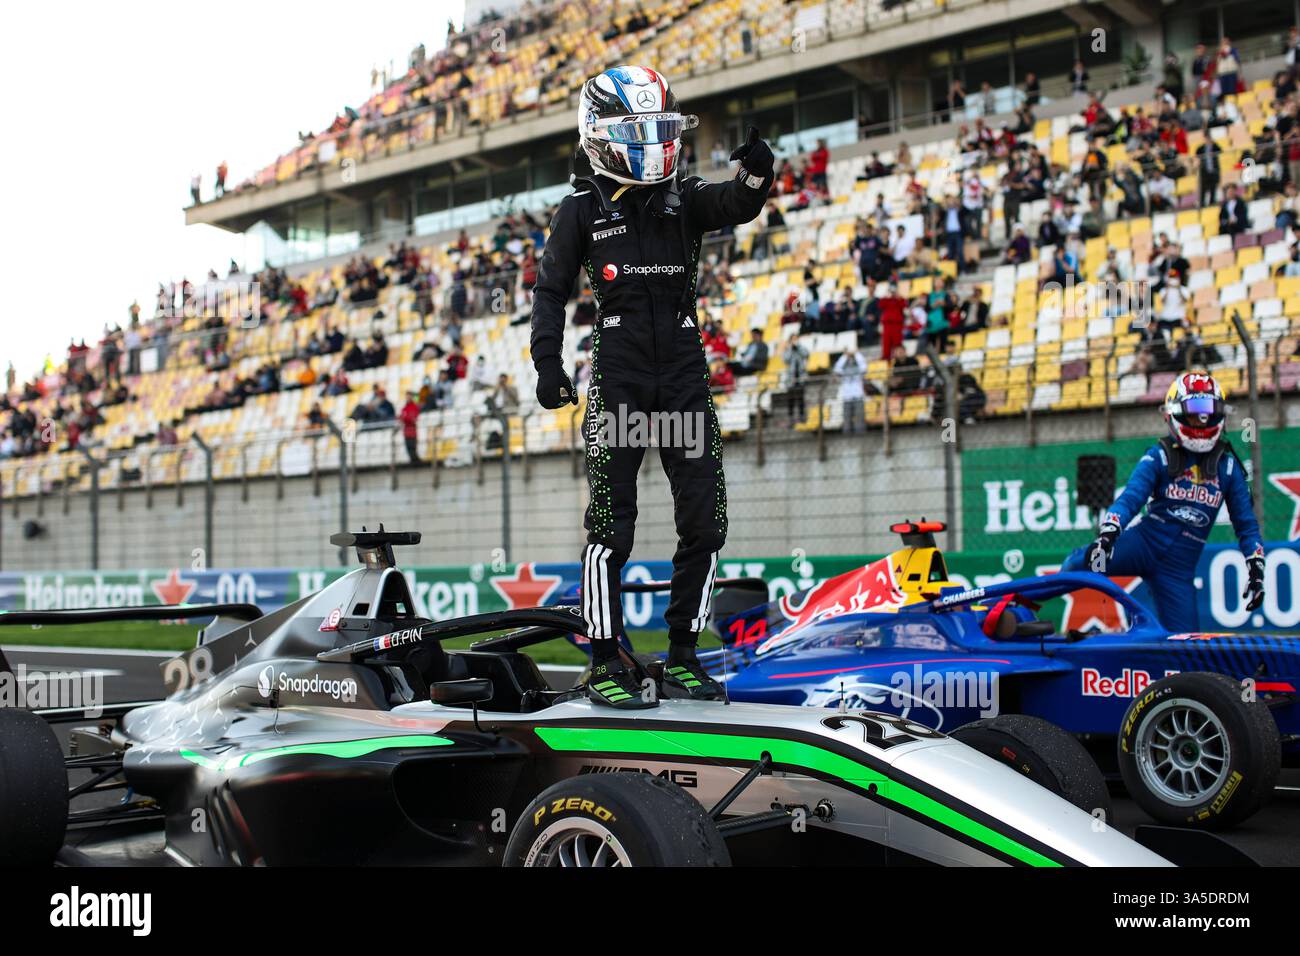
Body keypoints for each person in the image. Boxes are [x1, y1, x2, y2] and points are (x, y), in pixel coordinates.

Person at [530, 66, 773, 708]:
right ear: (604, 135)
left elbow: (738, 203)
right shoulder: (579, 210)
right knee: (611, 527)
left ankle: (684, 654)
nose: (654, 141)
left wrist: (755, 172)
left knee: (705, 522)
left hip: (685, 382)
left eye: (658, 127)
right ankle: (606, 660)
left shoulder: (683, 196)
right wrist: (546, 365)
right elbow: (550, 290)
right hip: (621, 383)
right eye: (640, 129)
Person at [1061, 372, 1263, 632]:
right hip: (1143, 544)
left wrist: (1256, 566)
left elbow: (1246, 525)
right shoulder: (1160, 455)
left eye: (1208, 413)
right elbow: (1131, 498)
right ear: (1174, 413)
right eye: (1193, 414)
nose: (1201, 421)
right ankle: (1012, 609)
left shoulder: (1228, 467)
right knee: (1076, 565)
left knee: (1185, 646)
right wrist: (1109, 533)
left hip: (1177, 571)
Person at [833, 347, 867, 433]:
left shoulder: (859, 367)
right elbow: (837, 369)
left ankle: (861, 441)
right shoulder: (843, 368)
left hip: (858, 396)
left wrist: (856, 354)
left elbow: (864, 367)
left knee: (860, 422)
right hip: (847, 398)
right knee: (847, 423)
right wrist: (845, 356)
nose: (850, 358)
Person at [399, 391, 422, 463]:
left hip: (412, 431)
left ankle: (416, 462)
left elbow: (413, 418)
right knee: (408, 448)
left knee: (413, 448)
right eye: (407, 396)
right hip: (406, 431)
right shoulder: (404, 408)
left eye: (409, 396)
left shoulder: (414, 407)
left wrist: (406, 418)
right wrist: (406, 418)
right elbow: (402, 418)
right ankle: (413, 462)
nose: (408, 398)